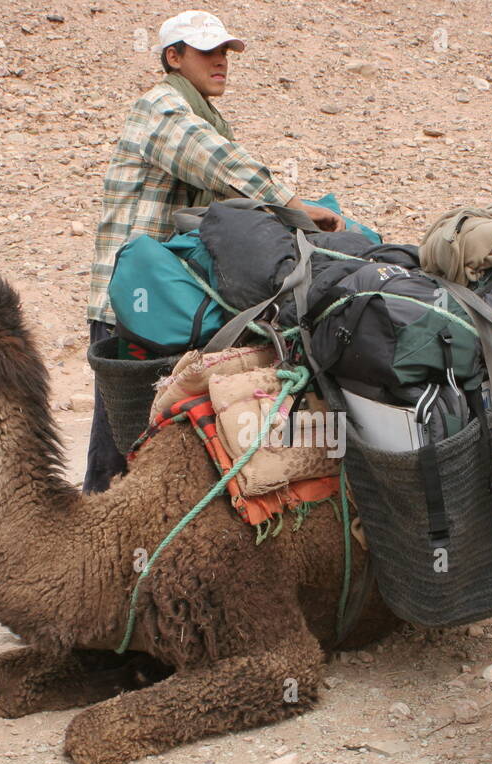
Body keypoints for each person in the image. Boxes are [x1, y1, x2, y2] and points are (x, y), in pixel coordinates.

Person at [84, 10, 342, 493]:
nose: (221, 61)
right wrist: (295, 208)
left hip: (168, 306)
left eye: (224, 51)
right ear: (173, 57)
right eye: (207, 51)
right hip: (133, 308)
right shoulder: (161, 110)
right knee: (119, 452)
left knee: (159, 445)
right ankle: (91, 555)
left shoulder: (202, 113)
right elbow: (218, 164)